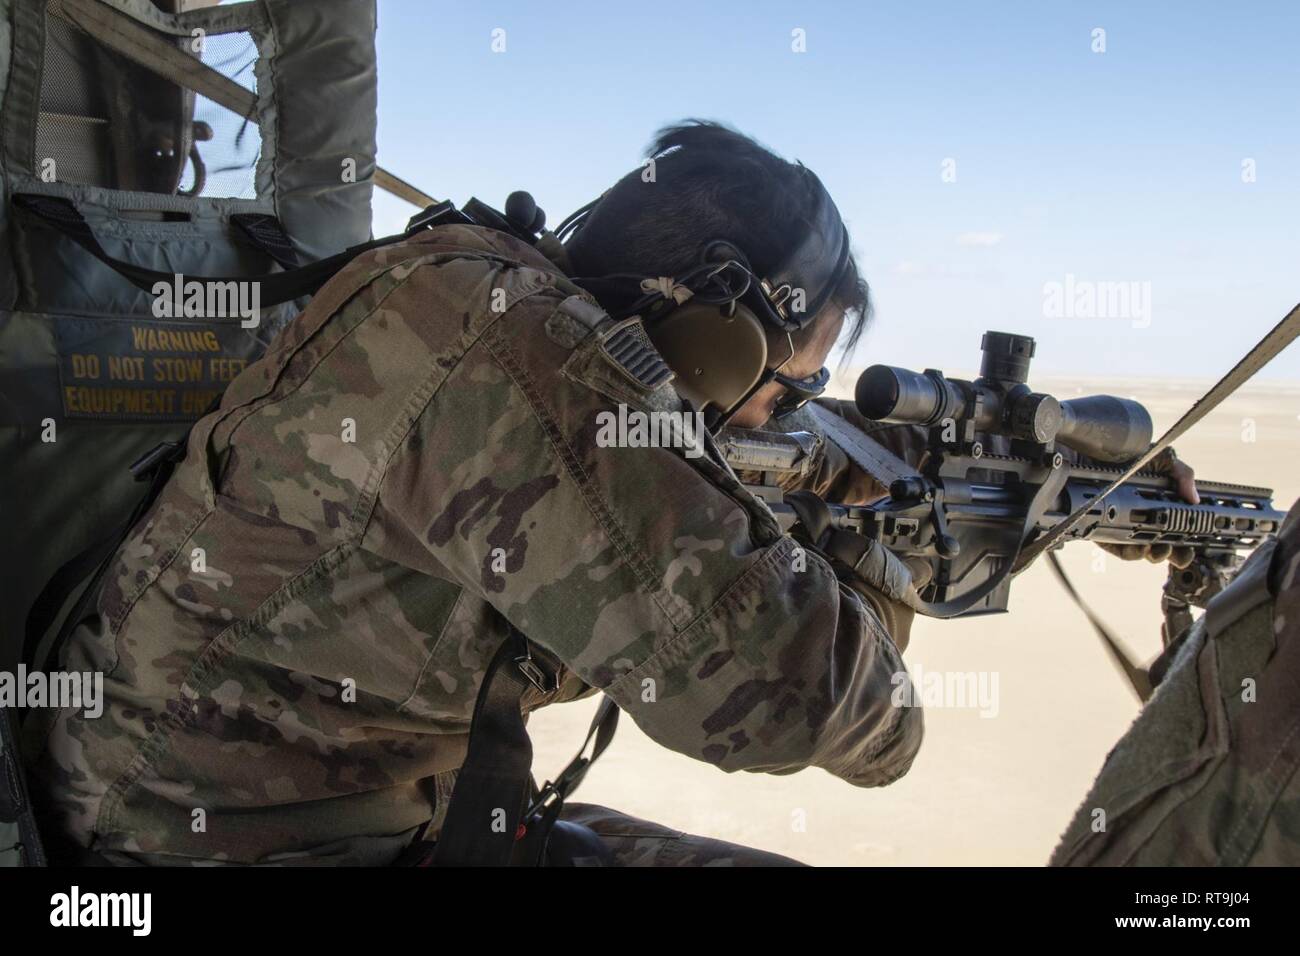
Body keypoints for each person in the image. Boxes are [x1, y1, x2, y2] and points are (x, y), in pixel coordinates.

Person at [27, 121, 925, 866]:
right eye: (790, 384)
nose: (778, 414)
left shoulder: (489, 302)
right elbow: (797, 699)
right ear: (716, 341)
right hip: (198, 846)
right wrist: (887, 566)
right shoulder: (532, 366)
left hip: (351, 806)